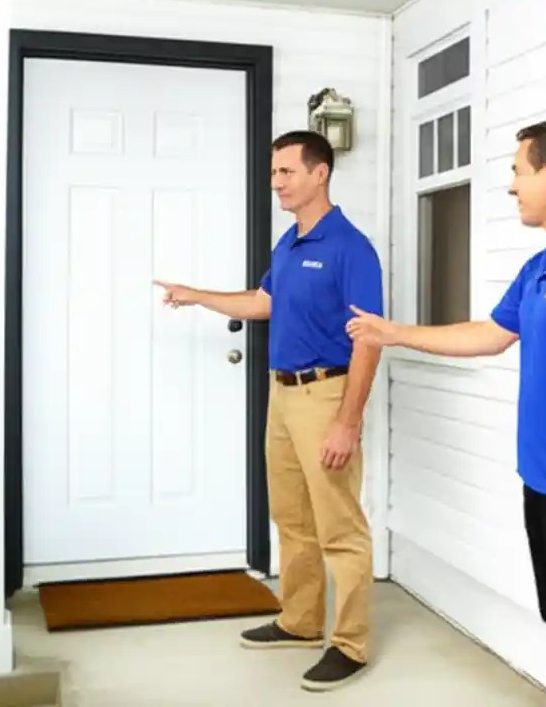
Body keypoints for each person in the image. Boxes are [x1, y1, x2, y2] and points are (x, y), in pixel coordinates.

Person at [346, 117, 546, 706]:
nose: (512, 185)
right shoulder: (543, 266)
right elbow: (488, 333)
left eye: (518, 170)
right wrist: (394, 333)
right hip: (541, 486)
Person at [154, 130, 383, 693]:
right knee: (292, 518)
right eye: (274, 172)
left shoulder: (350, 247)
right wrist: (196, 295)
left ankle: (349, 644)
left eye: (286, 172)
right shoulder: (289, 244)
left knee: (339, 526)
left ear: (320, 173)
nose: (276, 181)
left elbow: (370, 339)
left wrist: (347, 422)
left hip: (327, 394)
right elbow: (264, 304)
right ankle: (300, 620)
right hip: (282, 396)